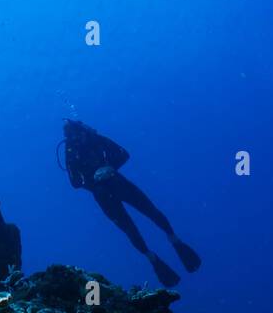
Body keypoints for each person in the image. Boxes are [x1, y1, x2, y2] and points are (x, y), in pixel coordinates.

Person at [60, 120, 200, 287]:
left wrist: (109, 168)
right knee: (129, 228)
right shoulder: (70, 150)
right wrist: (93, 180)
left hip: (117, 183)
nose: (78, 138)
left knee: (151, 212)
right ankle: (152, 258)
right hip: (103, 193)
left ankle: (174, 240)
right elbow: (75, 182)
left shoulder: (95, 138)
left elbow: (123, 154)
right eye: (73, 136)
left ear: (84, 131)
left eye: (79, 134)